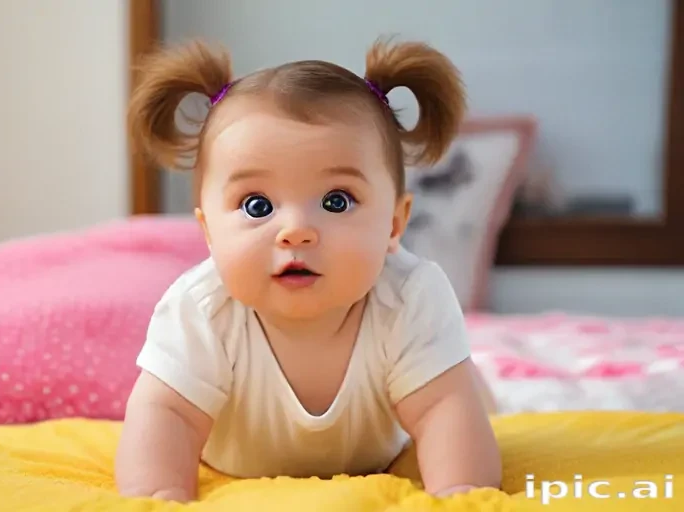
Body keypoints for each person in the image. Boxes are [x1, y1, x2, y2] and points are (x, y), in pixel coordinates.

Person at [115, 37, 501, 503]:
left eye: (337, 201)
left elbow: (442, 409)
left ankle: (487, 385)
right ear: (209, 231)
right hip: (231, 466)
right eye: (257, 205)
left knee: (463, 389)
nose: (296, 231)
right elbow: (167, 414)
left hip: (379, 457)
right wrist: (159, 494)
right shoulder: (201, 309)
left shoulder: (409, 298)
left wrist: (461, 492)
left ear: (394, 224)